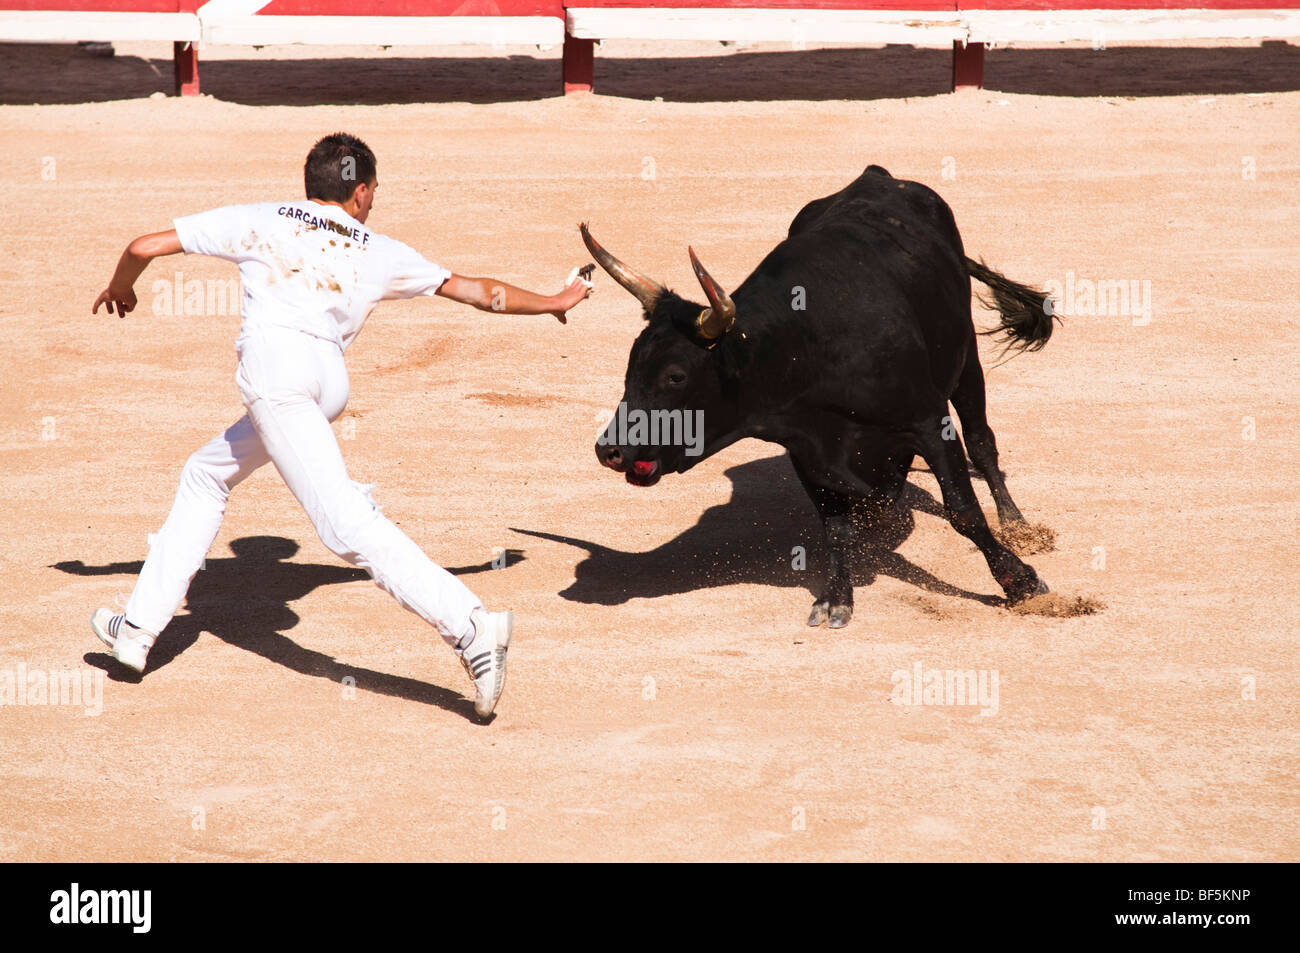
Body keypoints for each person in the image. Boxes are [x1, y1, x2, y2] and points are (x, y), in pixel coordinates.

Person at [89, 132, 592, 719]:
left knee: (341, 523)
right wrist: (556, 300)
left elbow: (143, 246)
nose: (373, 202)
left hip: (277, 381)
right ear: (358, 193)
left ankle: (473, 627)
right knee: (206, 475)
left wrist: (121, 287)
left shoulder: (261, 218)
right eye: (374, 191)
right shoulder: (378, 249)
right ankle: (139, 628)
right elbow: (483, 293)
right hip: (323, 384)